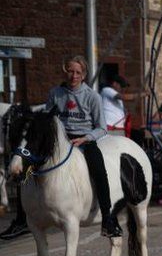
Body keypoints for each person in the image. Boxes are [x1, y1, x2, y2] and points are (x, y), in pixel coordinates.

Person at [2, 55, 119, 240]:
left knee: (99, 169)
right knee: (25, 165)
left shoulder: (92, 97)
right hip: (57, 141)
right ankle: (21, 220)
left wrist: (85, 138)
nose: (74, 76)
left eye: (78, 72)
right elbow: (48, 119)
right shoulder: (55, 93)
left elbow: (102, 128)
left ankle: (108, 219)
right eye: (71, 71)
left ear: (84, 75)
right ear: (66, 71)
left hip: (84, 140)